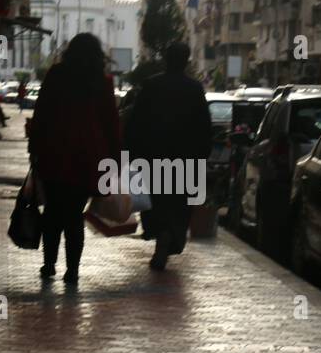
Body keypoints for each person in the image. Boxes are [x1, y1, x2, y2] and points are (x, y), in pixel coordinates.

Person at [28, 34, 120, 285]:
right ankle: (73, 270)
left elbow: (42, 113)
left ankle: (49, 264)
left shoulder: (57, 75)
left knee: (53, 212)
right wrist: (115, 160)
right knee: (74, 215)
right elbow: (111, 124)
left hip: (54, 154)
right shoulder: (102, 82)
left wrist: (34, 147)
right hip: (88, 160)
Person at [125, 42, 212, 271]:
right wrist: (204, 154)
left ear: (166, 60)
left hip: (152, 156)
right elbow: (203, 126)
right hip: (185, 159)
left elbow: (136, 121)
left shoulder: (152, 85)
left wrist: (130, 152)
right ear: (186, 61)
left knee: (155, 200)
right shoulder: (194, 88)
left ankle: (160, 234)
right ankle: (169, 236)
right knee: (179, 203)